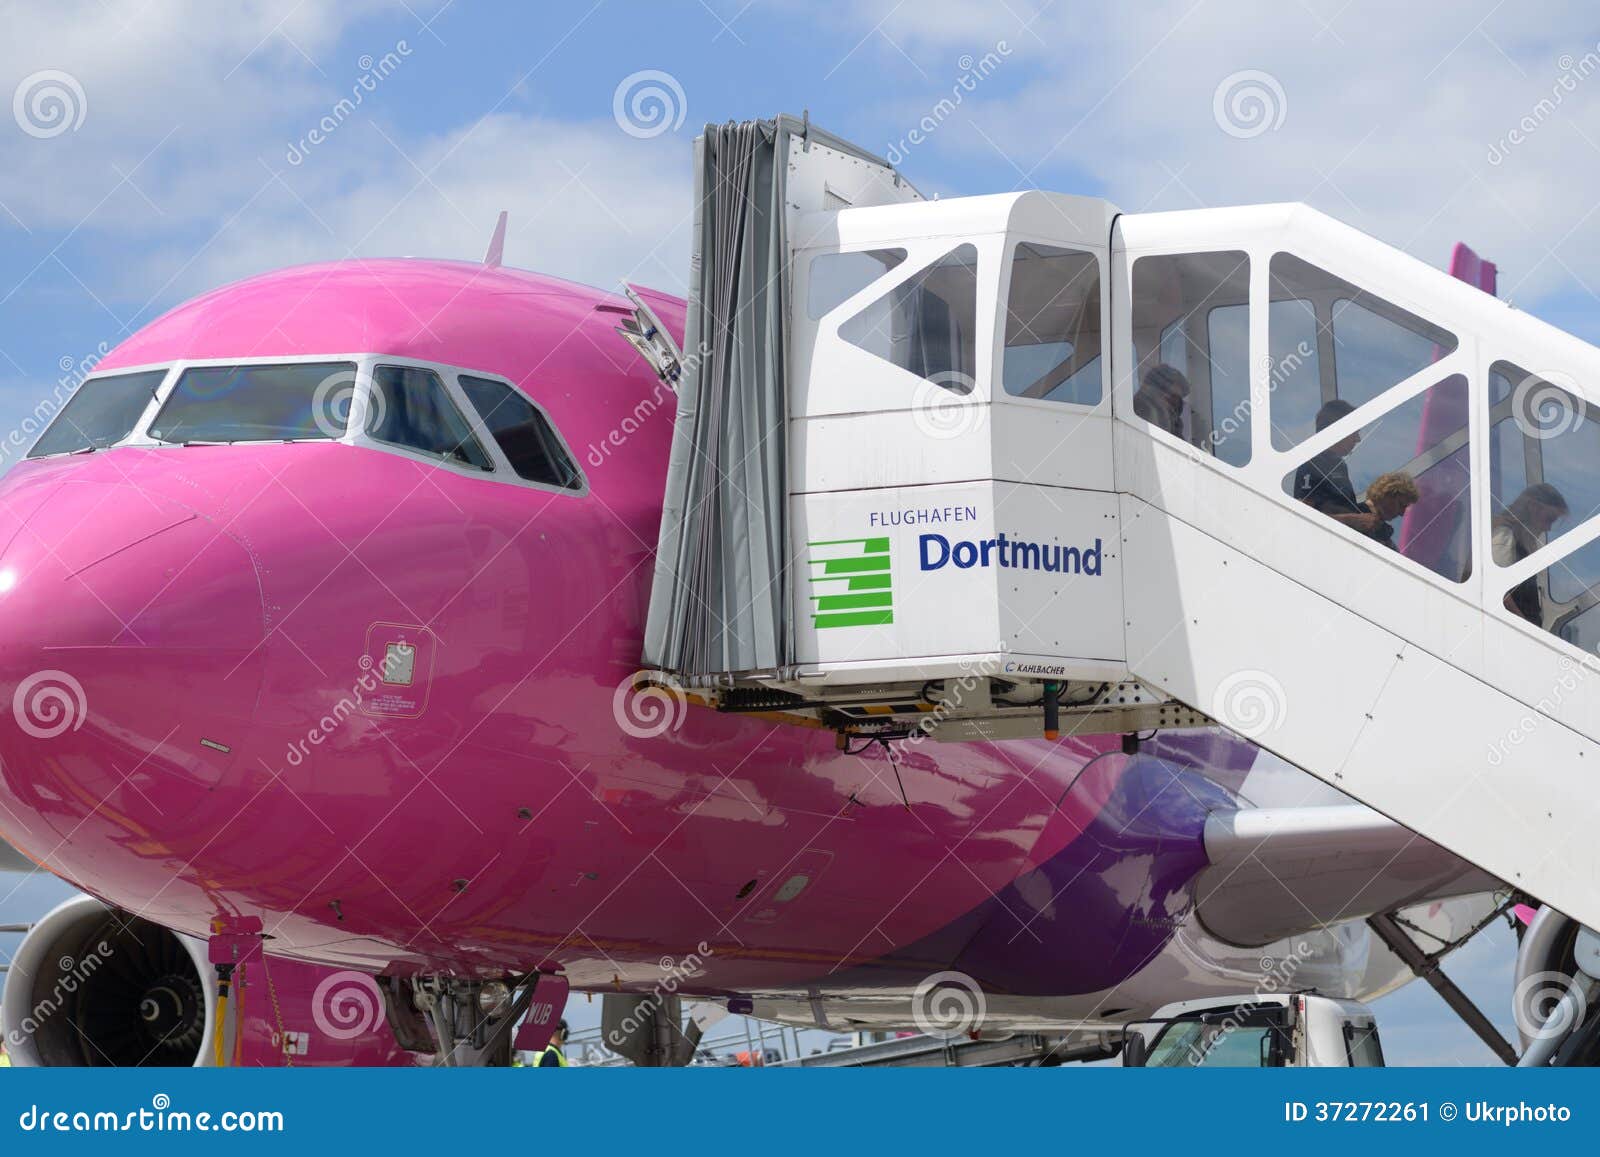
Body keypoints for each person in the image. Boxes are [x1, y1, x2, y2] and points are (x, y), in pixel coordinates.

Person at [1293, 399, 1389, 535]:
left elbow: (1342, 509)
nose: (1358, 439)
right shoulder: (1311, 465)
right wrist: (1352, 520)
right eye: (1355, 431)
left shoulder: (1339, 466)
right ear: (1337, 430)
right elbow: (1302, 519)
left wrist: (1376, 506)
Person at [1492, 482, 1569, 624]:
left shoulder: (1524, 545)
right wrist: (1524, 626)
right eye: (1549, 519)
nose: (1548, 528)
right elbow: (1493, 587)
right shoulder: (1504, 536)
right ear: (1533, 508)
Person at [1358, 471, 1421, 548]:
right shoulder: (1350, 512)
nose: (1402, 514)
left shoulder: (1386, 537)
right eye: (1401, 505)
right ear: (1387, 494)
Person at [1133, 363, 1190, 437]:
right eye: (1173, 396)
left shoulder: (1172, 420)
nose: (1174, 403)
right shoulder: (1144, 407)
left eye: (1178, 399)